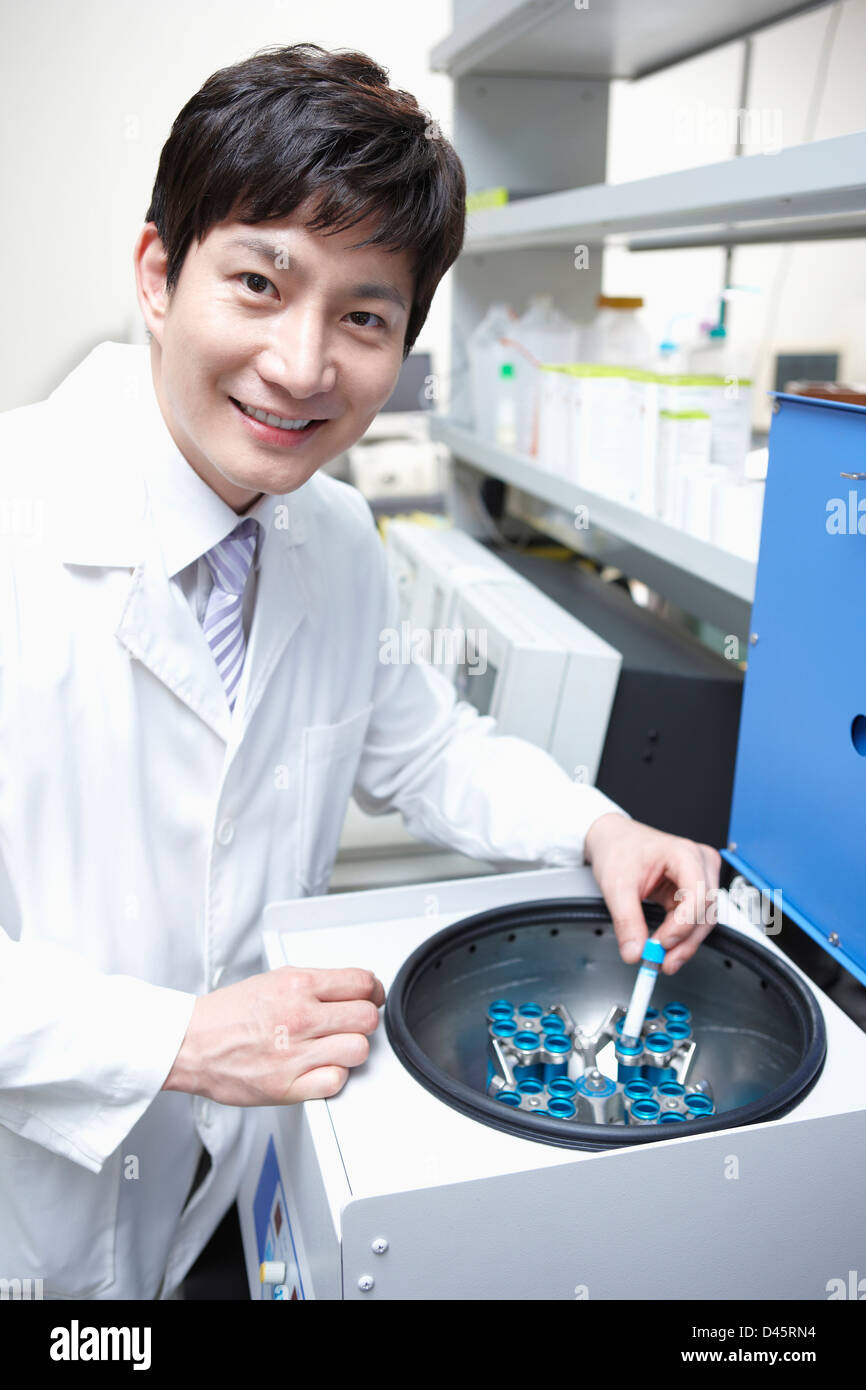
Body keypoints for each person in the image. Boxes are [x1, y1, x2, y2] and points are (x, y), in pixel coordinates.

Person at [0, 43, 721, 1301]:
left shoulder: (328, 532)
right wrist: (172, 1036)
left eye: (363, 317)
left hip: (212, 1187)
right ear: (159, 273)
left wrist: (599, 826)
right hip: (32, 1207)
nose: (301, 363)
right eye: (259, 283)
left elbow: (423, 747)